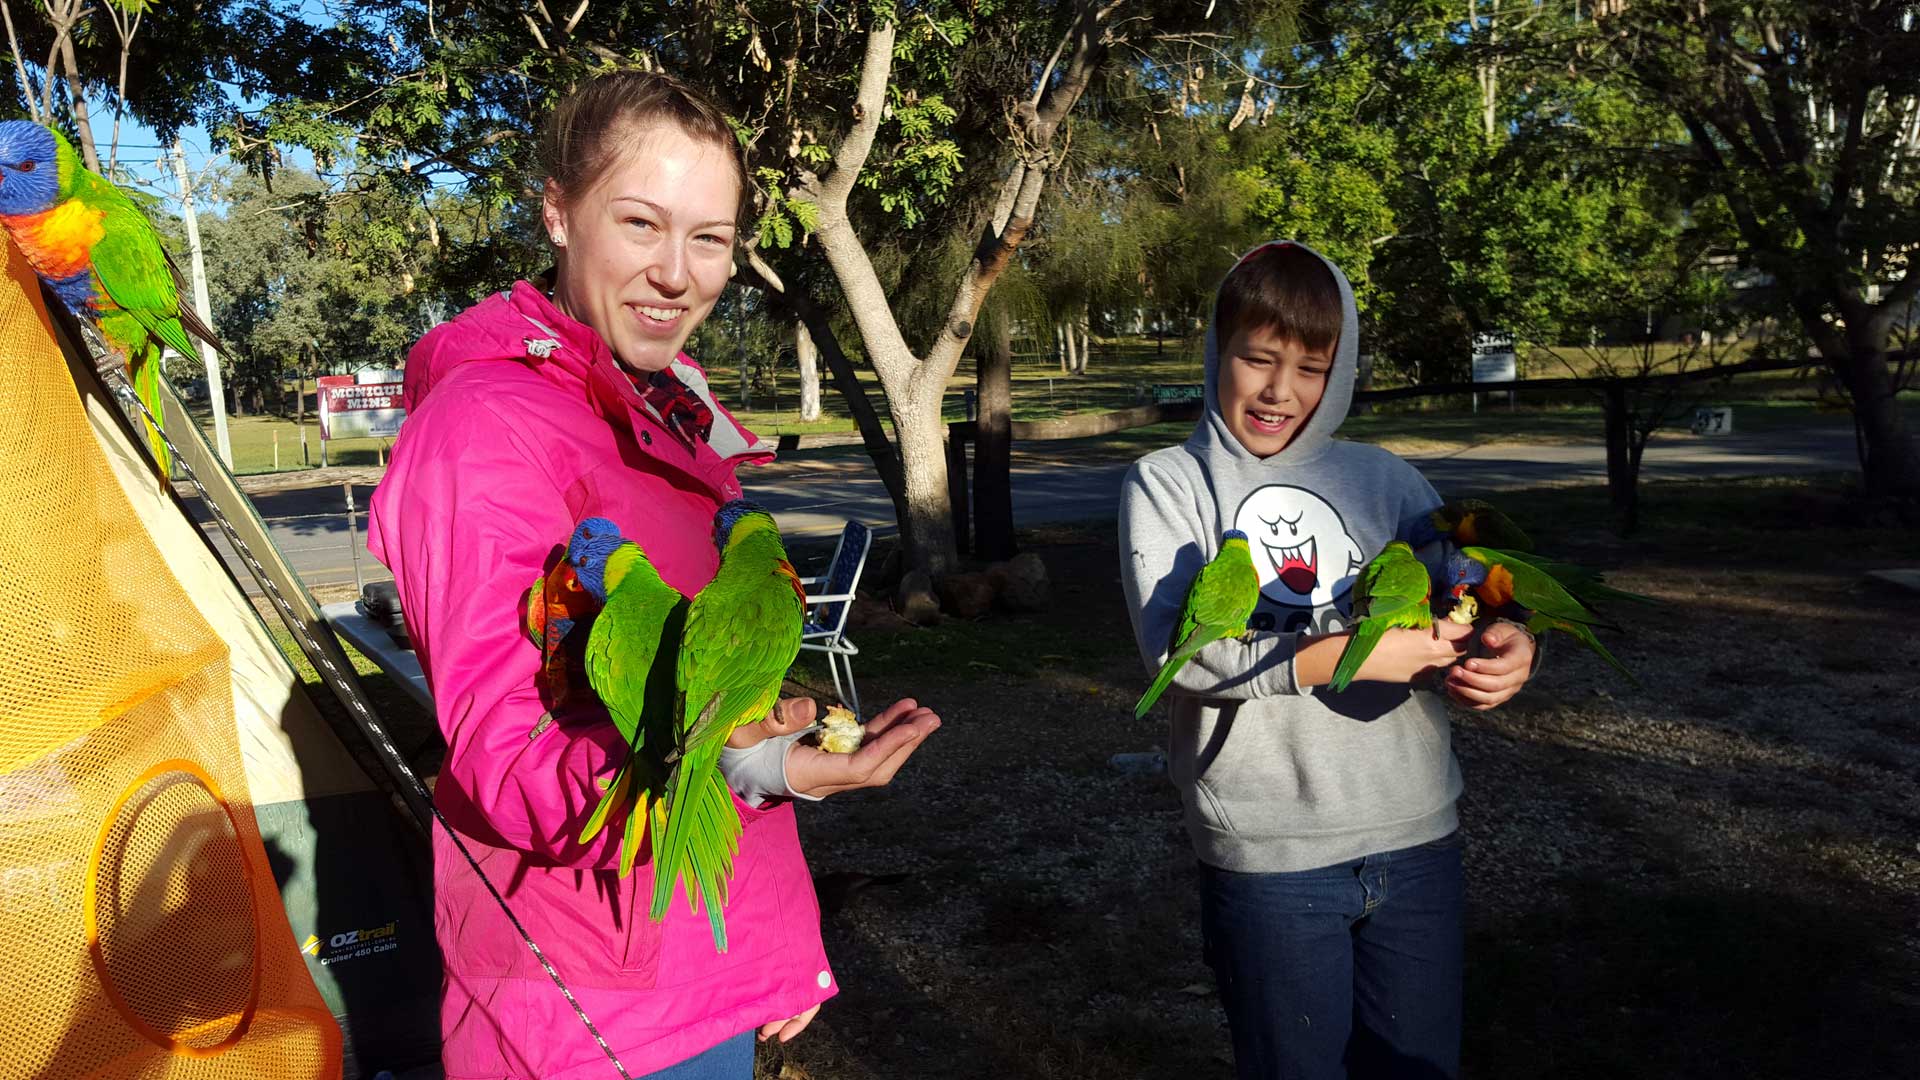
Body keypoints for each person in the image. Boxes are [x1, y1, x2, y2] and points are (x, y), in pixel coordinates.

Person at [368, 71, 941, 1079]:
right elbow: (511, 762)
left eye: (710, 238)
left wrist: (774, 769)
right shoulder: (485, 430)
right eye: (641, 223)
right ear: (557, 211)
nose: (678, 273)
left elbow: (682, 712)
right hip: (589, 1008)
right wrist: (719, 761)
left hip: (692, 970)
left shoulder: (666, 419)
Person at [1117, 241, 1537, 1080]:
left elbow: (1475, 599)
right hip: (1271, 855)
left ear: (1340, 374)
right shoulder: (1169, 484)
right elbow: (1183, 658)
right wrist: (1345, 656)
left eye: (1311, 368)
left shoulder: (1391, 484)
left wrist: (1511, 645)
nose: (1280, 391)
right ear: (1216, 353)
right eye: (1258, 359)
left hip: (1419, 835)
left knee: (1419, 1067)